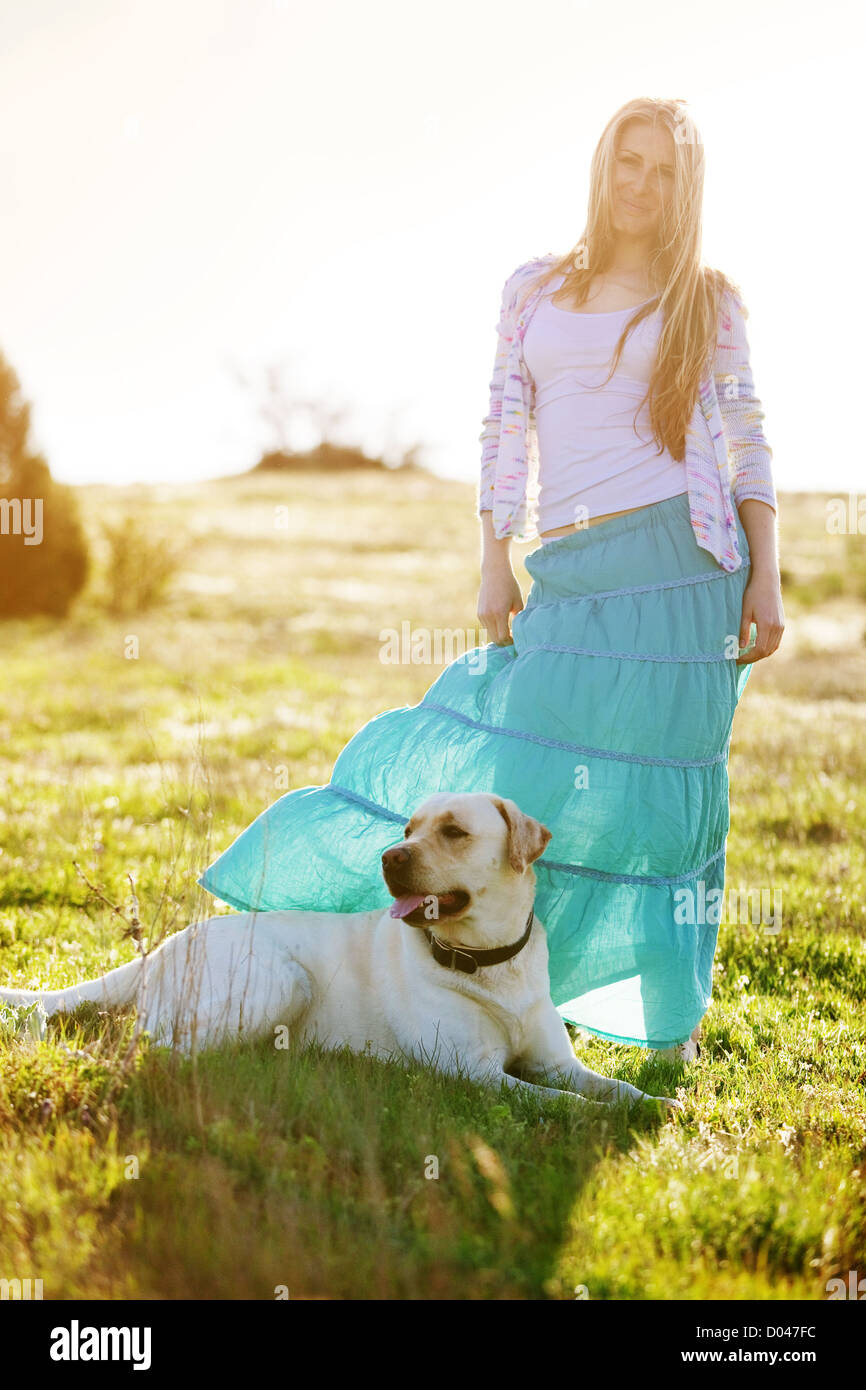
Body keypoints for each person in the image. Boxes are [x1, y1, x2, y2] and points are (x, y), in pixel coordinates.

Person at [198, 95, 784, 1059]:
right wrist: (491, 557)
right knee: (524, 780)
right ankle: (408, 961)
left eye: (664, 170)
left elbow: (747, 439)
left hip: (687, 576)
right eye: (627, 162)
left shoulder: (706, 300)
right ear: (603, 168)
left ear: (687, 189)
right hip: (571, 570)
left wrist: (766, 575)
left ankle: (664, 1031)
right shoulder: (534, 289)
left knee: (664, 810)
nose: (642, 183)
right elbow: (503, 428)